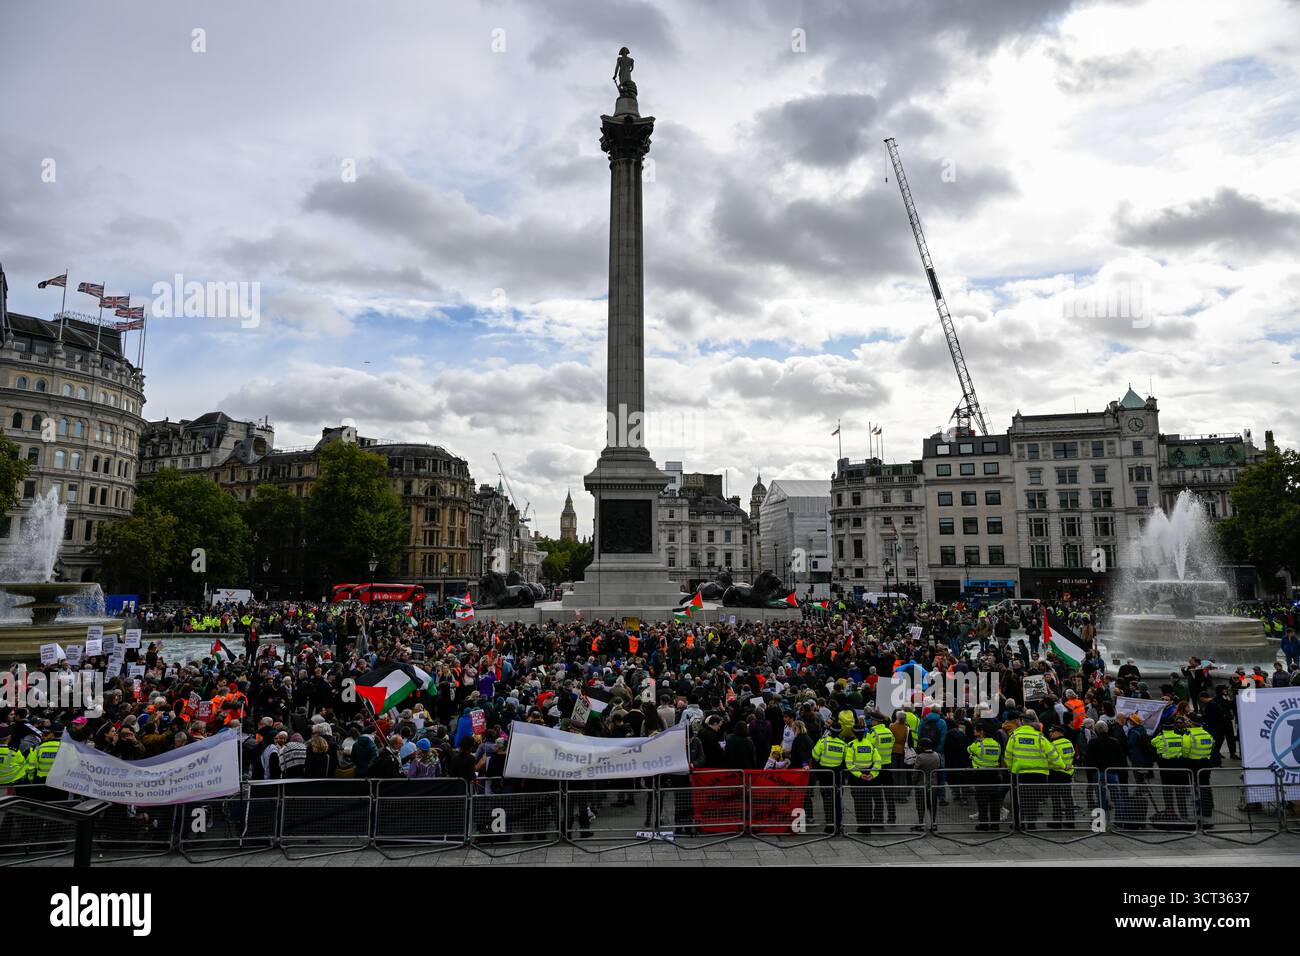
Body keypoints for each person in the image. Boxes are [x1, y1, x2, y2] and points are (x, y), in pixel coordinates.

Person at [1005, 711, 1060, 829]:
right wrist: (1063, 765)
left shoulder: (1014, 736)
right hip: (1038, 774)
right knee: (1033, 799)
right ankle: (1031, 823)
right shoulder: (1040, 737)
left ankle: (1019, 823)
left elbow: (1008, 755)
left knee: (1019, 799)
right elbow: (1052, 754)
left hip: (1020, 773)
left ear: (1021, 722)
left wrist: (1011, 768)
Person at [844, 716, 883, 833]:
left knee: (859, 803)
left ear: (854, 734)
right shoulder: (870, 745)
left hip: (857, 778)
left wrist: (859, 775)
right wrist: (872, 774)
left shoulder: (851, 745)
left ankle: (862, 826)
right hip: (869, 777)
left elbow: (849, 764)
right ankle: (867, 826)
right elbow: (878, 761)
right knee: (868, 802)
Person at [810, 722, 849, 833]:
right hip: (837, 776)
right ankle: (838, 824)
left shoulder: (823, 741)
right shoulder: (843, 744)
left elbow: (814, 755)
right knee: (837, 800)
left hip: (825, 775)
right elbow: (846, 760)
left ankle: (829, 825)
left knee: (827, 801)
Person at [967, 723, 1003, 831]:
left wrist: (973, 755)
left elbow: (968, 749)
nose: (974, 732)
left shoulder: (978, 744)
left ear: (982, 732)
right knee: (994, 801)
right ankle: (995, 825)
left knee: (982, 800)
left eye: (976, 730)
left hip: (981, 775)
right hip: (994, 774)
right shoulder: (997, 744)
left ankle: (983, 824)